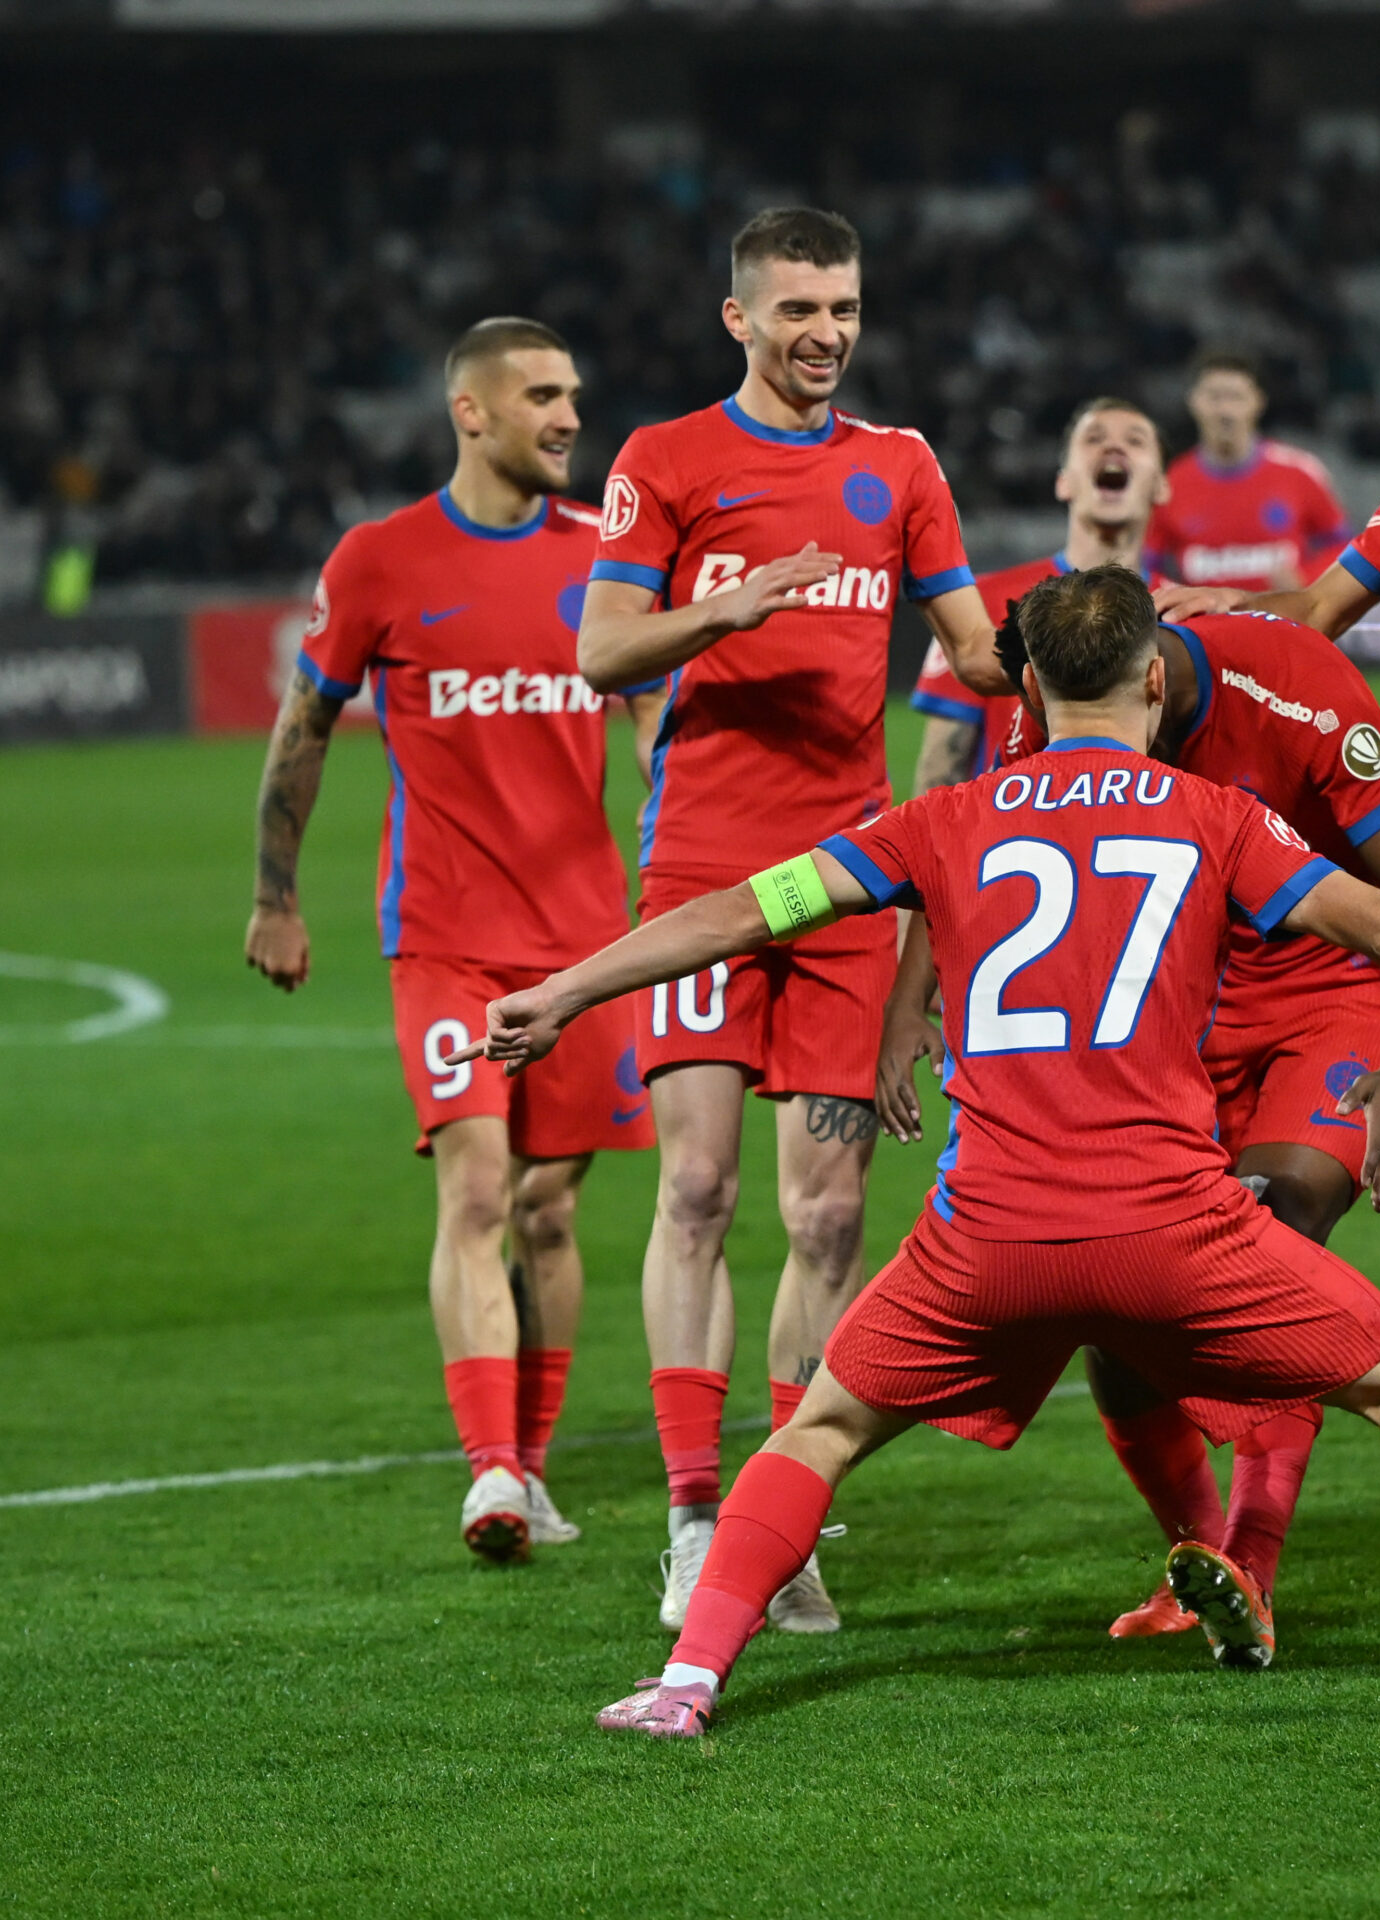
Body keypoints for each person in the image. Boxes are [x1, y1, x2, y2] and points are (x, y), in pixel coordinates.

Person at [450, 566, 1380, 1733]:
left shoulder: (939, 820)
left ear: (1030, 686)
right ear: (1156, 676)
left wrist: (567, 990)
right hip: (1175, 1228)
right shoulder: (1217, 820)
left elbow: (745, 908)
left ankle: (681, 1683)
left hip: (982, 1242)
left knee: (817, 1433)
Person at [881, 597, 1380, 1664]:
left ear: (1152, 683)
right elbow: (967, 847)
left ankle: (1252, 1556)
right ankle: (1199, 1563)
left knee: (1275, 1234)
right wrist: (906, 1006)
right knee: (1121, 1317)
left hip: (1331, 994)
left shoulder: (1296, 690)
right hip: (1174, 1008)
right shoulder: (1068, 703)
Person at [574, 207, 995, 1636]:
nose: (826, 333)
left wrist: (1106, 642)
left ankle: (779, 1515)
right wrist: (729, 608)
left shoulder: (901, 468)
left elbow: (977, 651)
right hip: (703, 876)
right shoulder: (666, 458)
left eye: (846, 309)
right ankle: (695, 1518)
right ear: (738, 319)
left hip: (844, 886)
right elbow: (600, 649)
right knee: (696, 1193)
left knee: (827, 1218)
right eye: (800, 309)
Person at [242, 317, 661, 1563]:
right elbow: (304, 728)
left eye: (574, 393)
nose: (570, 416)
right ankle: (489, 1472)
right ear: (470, 412)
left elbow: (658, 718)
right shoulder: (382, 560)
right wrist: (275, 894)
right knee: (476, 1187)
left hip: (583, 943)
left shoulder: (607, 558)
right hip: (444, 936)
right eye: (542, 394)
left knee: (546, 1211)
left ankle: (530, 1470)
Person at [908, 396, 1167, 795]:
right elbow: (941, 766)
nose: (1114, 447)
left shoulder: (1185, 610)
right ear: (1063, 480)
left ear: (1162, 484)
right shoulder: (982, 602)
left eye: (1135, 441)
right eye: (1094, 438)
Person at [1146, 353, 1348, 592]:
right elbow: (1144, 565)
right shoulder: (1168, 485)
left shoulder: (1300, 472)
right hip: (1204, 627)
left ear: (1258, 402)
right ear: (1193, 401)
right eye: (1214, 397)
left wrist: (1307, 579)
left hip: (1284, 624)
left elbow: (1342, 548)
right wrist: (1172, 594)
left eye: (1236, 397)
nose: (1225, 411)